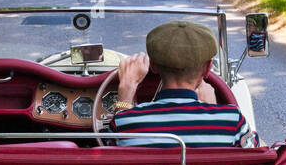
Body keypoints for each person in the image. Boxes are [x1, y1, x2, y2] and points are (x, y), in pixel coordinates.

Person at [108, 21, 255, 147]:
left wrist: (126, 91)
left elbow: (111, 154)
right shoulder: (232, 120)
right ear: (208, 68)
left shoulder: (125, 122)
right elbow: (258, 154)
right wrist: (213, 108)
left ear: (153, 66)